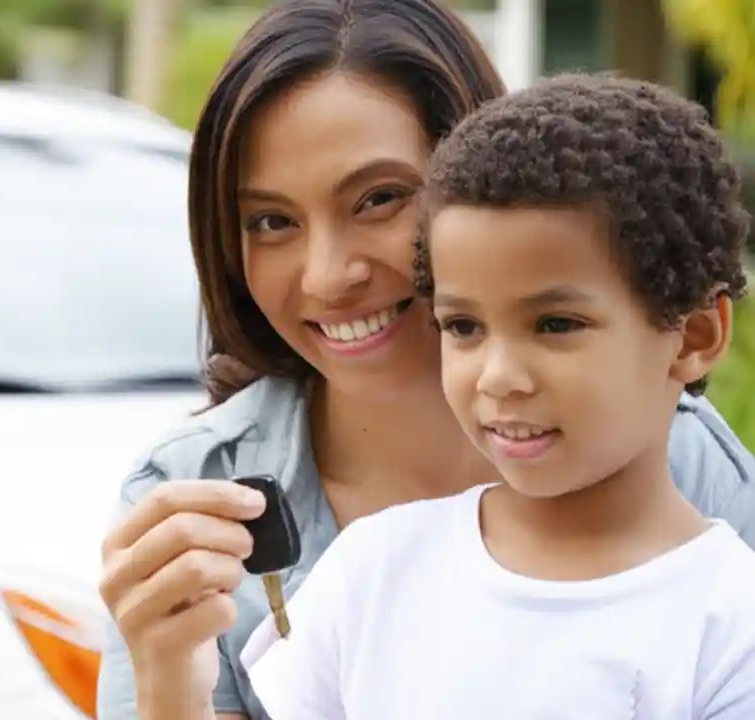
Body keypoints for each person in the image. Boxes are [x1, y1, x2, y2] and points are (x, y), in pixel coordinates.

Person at [94, 1, 755, 719]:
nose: (325, 276)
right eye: (272, 221)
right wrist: (168, 680)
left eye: (378, 199)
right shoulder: (301, 536)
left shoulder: (693, 480)